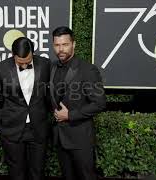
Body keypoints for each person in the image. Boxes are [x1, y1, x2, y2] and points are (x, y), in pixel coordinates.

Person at [0, 37, 51, 180]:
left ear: (33, 54)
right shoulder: (1, 68)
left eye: (28, 62)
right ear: (13, 55)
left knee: (38, 173)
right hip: (11, 129)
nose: (23, 66)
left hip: (38, 128)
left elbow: (51, 93)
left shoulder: (45, 64)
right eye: (20, 62)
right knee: (16, 173)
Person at [50, 26, 106, 180]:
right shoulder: (53, 67)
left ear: (73, 44)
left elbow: (100, 103)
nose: (61, 49)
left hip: (80, 138)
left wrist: (70, 115)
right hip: (60, 138)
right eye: (57, 45)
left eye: (65, 44)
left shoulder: (88, 70)